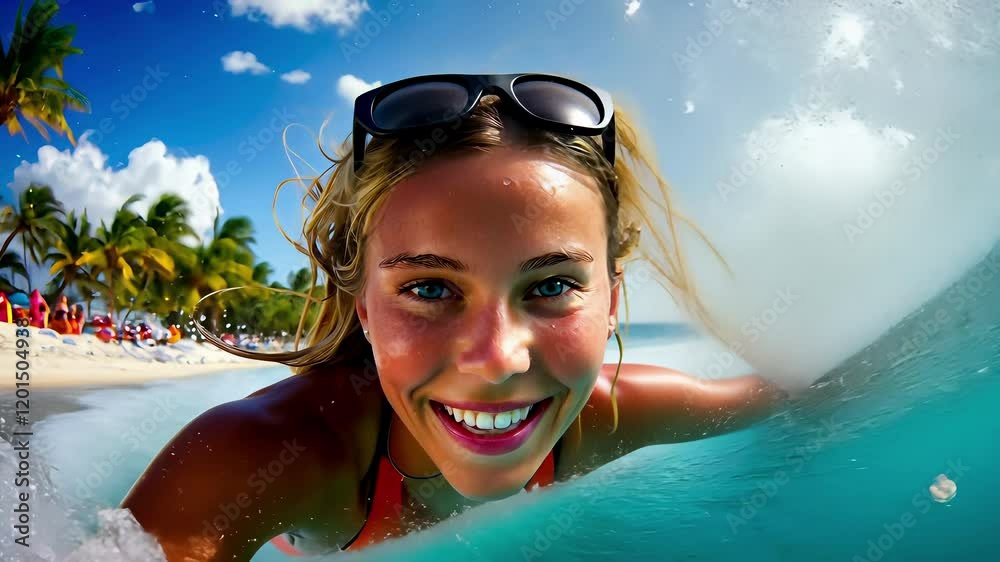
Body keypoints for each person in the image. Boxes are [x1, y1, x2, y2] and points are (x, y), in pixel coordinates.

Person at [120, 73, 787, 561]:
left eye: (551, 284)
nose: (498, 359)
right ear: (366, 309)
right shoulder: (265, 454)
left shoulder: (606, 416)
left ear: (611, 300)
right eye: (431, 289)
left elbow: (811, 395)